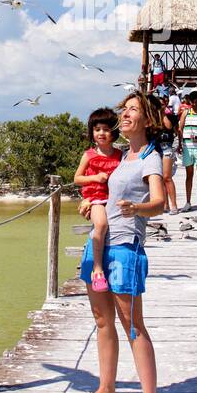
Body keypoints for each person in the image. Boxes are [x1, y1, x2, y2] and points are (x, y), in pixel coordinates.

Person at [74, 92, 166, 393]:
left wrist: (135, 209)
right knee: (102, 321)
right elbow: (106, 196)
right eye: (123, 110)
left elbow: (159, 203)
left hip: (126, 246)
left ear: (148, 120)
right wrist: (91, 206)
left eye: (132, 110)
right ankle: (107, 389)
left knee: (133, 325)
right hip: (100, 246)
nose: (123, 115)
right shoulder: (123, 157)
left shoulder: (150, 158)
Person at [72, 108, 123, 290]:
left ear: (114, 132)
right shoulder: (89, 155)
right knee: (101, 225)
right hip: (96, 198)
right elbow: (77, 178)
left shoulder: (120, 155)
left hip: (114, 198)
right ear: (92, 132)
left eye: (106, 129)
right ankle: (97, 268)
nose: (101, 133)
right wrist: (95, 177)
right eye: (97, 129)